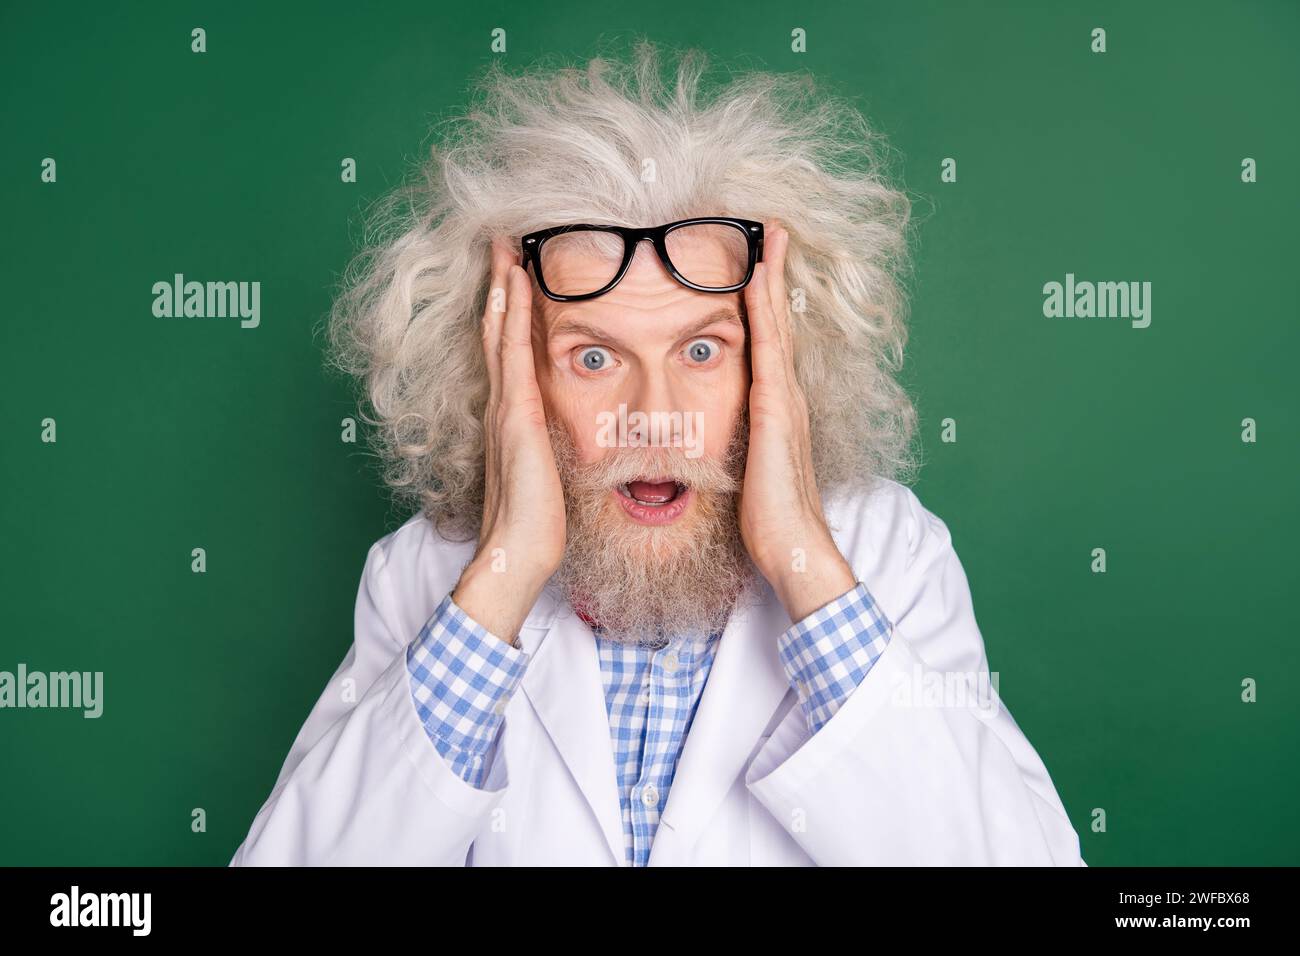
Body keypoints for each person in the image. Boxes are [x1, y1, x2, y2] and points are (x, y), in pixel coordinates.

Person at [230, 42, 1085, 866]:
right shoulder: (428, 576)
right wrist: (502, 580)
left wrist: (803, 567)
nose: (654, 418)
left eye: (703, 351)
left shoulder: (885, 557)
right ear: (505, 376)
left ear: (782, 362)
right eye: (592, 359)